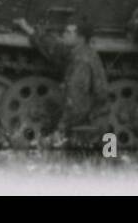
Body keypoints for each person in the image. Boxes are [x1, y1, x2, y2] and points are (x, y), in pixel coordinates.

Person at [14, 16, 110, 146]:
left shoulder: (81, 62)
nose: (63, 34)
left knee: (96, 160)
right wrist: (28, 29)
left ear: (80, 38)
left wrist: (60, 130)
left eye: (69, 32)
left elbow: (76, 104)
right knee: (110, 158)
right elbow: (53, 47)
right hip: (99, 121)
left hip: (92, 126)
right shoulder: (80, 51)